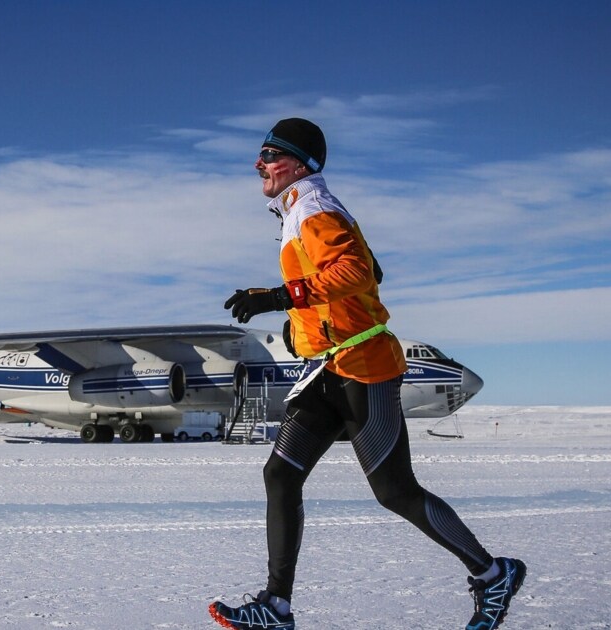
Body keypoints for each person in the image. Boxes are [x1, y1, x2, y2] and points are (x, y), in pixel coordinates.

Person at [209, 118, 525, 630]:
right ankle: (276, 606)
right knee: (280, 474)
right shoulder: (301, 212)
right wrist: (304, 325)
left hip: (364, 368)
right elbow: (372, 272)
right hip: (328, 369)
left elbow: (354, 272)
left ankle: (492, 574)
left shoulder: (313, 208)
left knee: (394, 491)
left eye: (268, 154)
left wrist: (279, 297)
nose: (258, 164)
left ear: (299, 163)